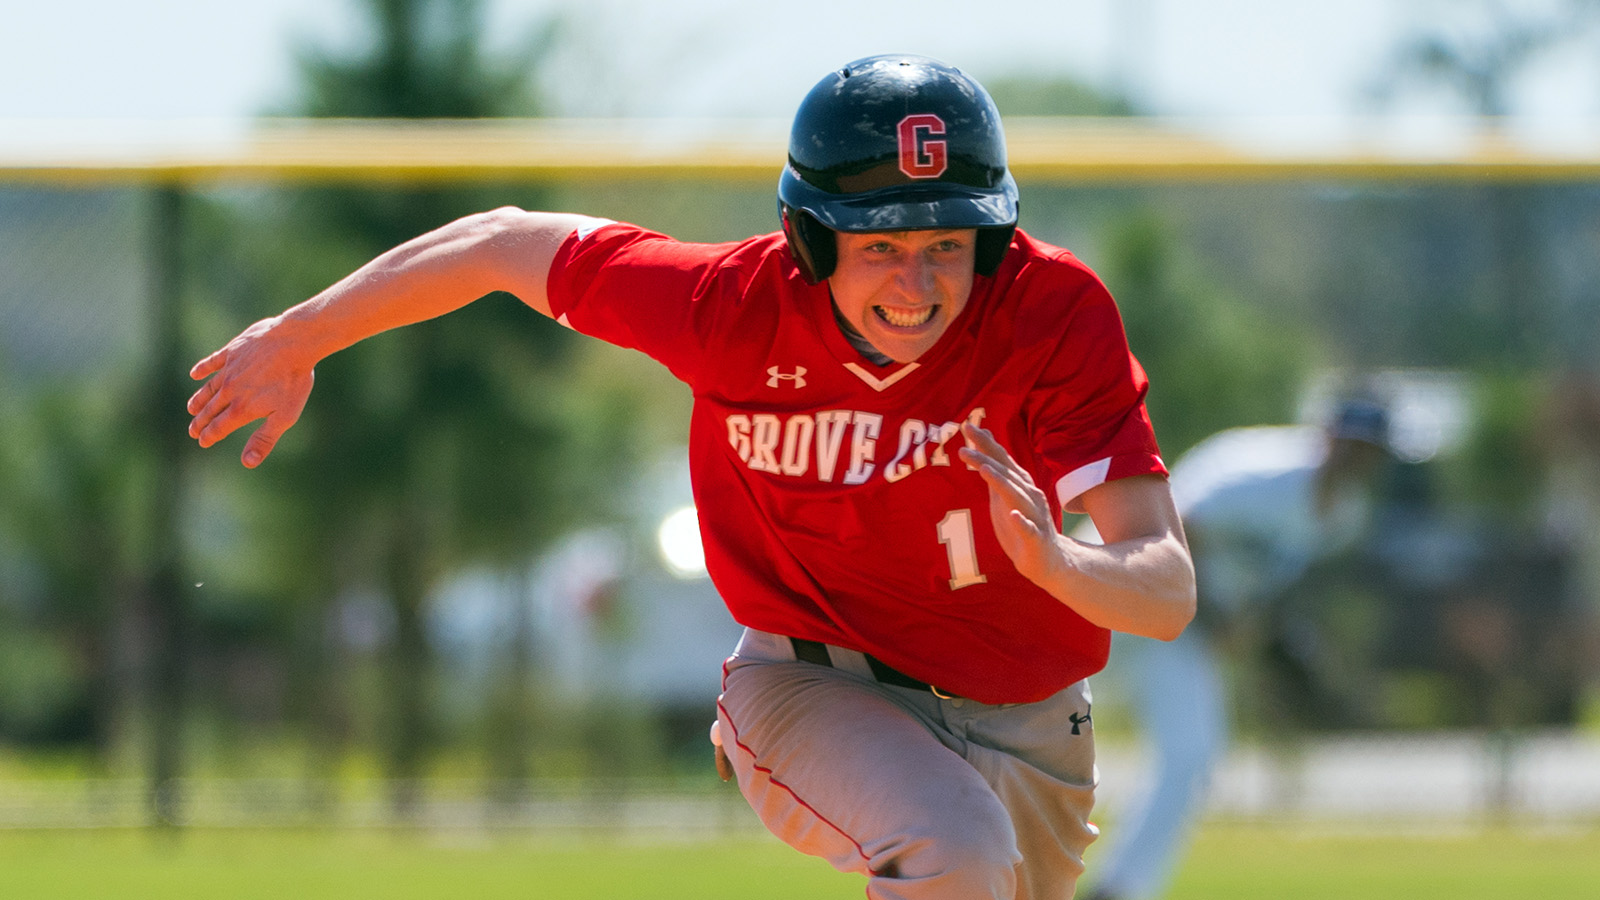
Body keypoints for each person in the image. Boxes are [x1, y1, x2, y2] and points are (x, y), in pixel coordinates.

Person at [187, 54, 1195, 900]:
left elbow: (1164, 590)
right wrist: (303, 334)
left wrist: (1056, 559)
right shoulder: (728, 308)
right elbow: (499, 244)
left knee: (970, 858)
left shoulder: (1049, 313)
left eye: (946, 242)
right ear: (808, 237)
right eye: (880, 243)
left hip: (1030, 718)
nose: (917, 282)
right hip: (813, 683)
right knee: (955, 848)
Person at [1079, 400, 1391, 900]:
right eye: (1352, 444)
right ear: (1329, 435)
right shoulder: (1266, 472)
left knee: (1192, 753)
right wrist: (1217, 617)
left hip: (1179, 625)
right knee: (1026, 722)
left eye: (1370, 451)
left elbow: (1262, 586)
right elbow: (1176, 526)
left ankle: (1118, 890)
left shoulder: (1344, 517)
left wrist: (1269, 639)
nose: (1358, 459)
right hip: (1111, 575)